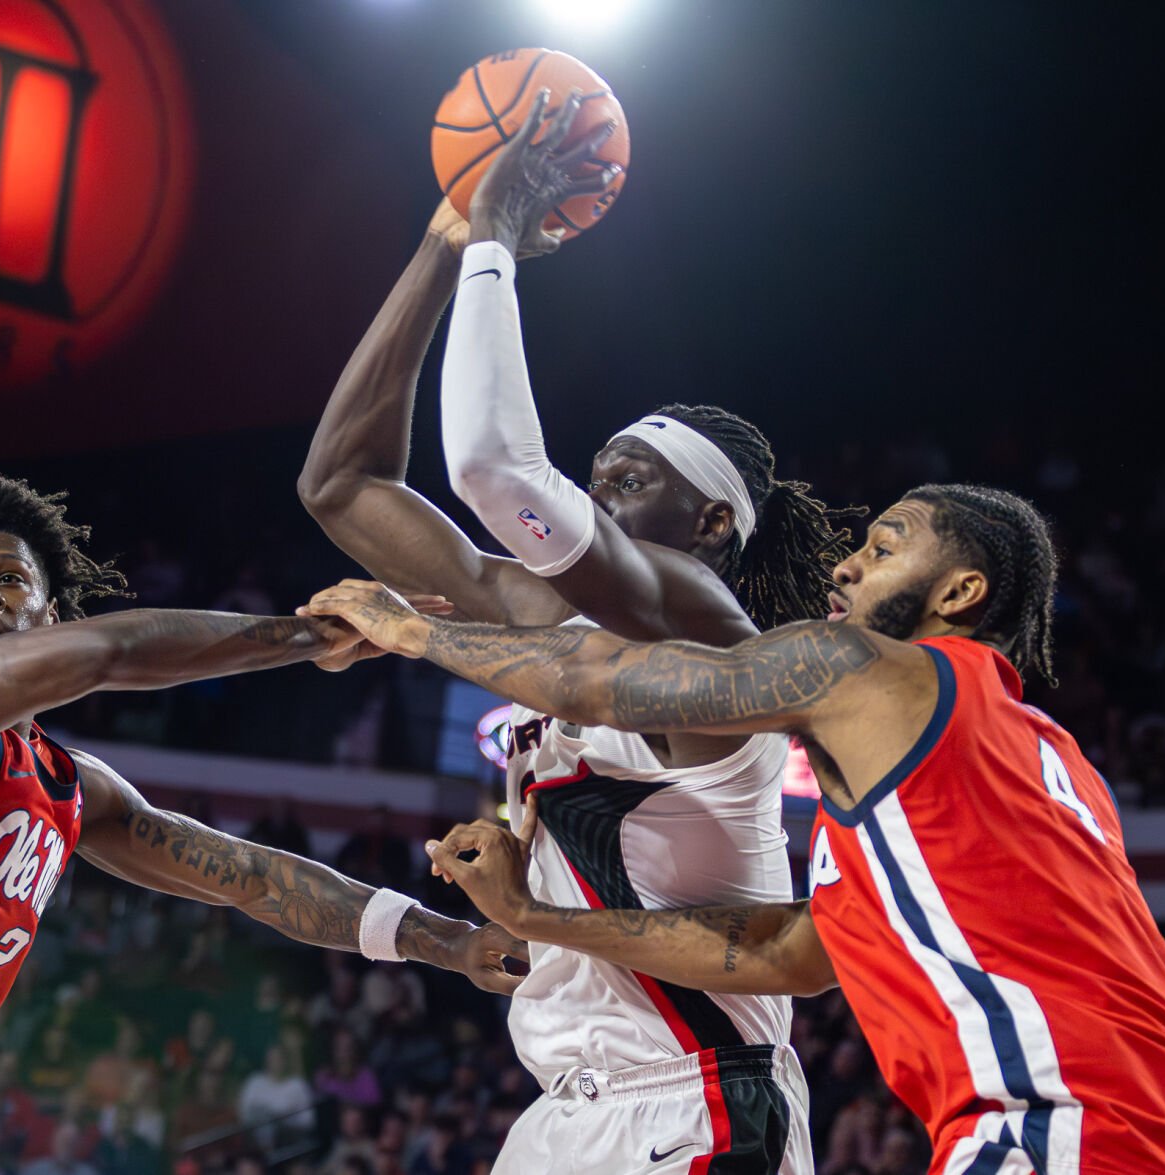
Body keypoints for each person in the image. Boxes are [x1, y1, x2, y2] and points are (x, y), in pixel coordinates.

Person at [306, 483, 1165, 1171]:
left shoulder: (872, 669)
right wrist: (539, 921)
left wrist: (412, 630)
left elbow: (604, 682)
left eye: (882, 548)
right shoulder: (1045, 760)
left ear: (961, 590)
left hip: (1061, 1123)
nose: (845, 566)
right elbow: (786, 953)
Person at [0, 470, 523, 1174]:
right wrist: (306, 637)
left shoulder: (71, 790)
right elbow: (113, 651)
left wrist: (442, 940)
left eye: (10, 581)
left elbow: (250, 877)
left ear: (47, 619)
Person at [299, 89, 855, 1172]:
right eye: (592, 473)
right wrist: (442, 234)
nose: (594, 493)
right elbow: (340, 483)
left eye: (625, 478)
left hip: (696, 1100)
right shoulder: (538, 613)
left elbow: (494, 470)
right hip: (562, 1111)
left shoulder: (706, 627)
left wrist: (497, 244)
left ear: (706, 519)